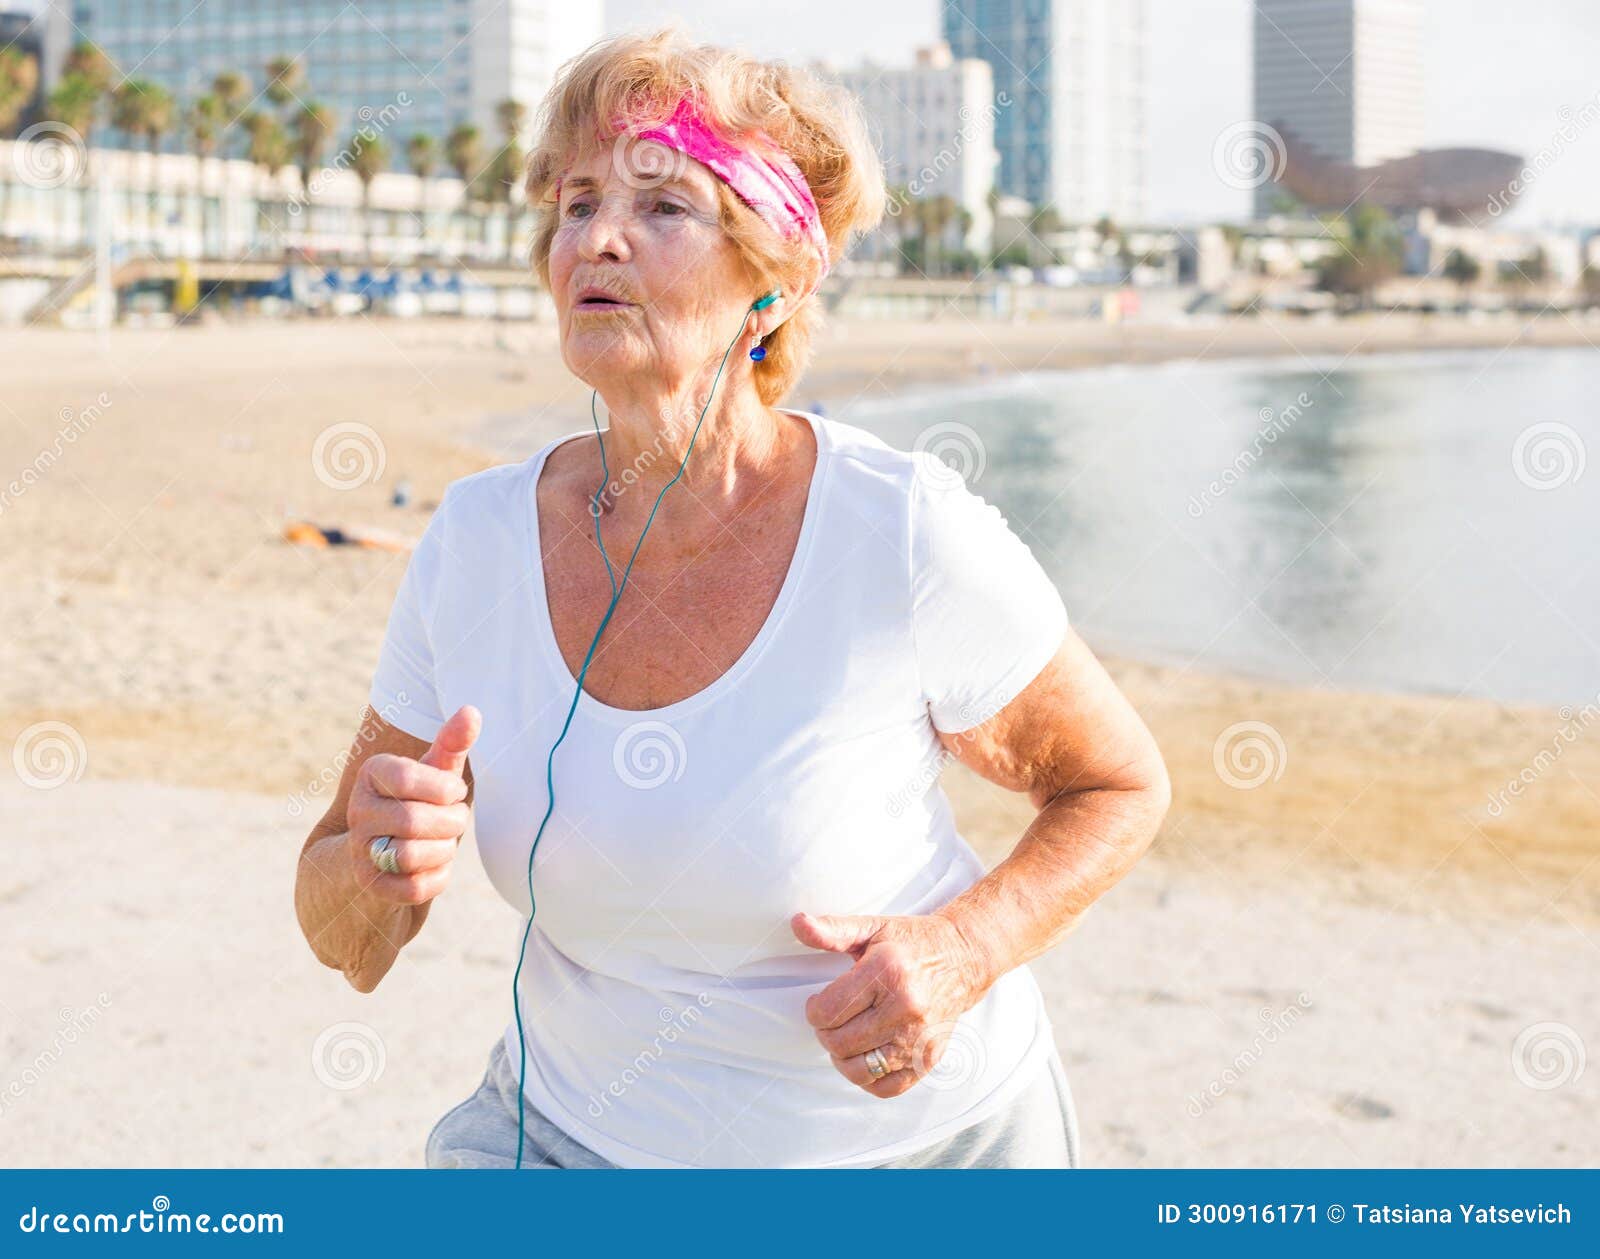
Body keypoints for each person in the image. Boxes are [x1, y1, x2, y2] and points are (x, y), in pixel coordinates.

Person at [293, 28, 1170, 1170]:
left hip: (927, 1157)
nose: (595, 237)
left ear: (772, 280)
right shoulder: (472, 543)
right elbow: (340, 935)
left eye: (662, 208)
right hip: (567, 1145)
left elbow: (1119, 782)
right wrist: (373, 861)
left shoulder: (900, 531)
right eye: (574, 203)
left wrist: (968, 945)